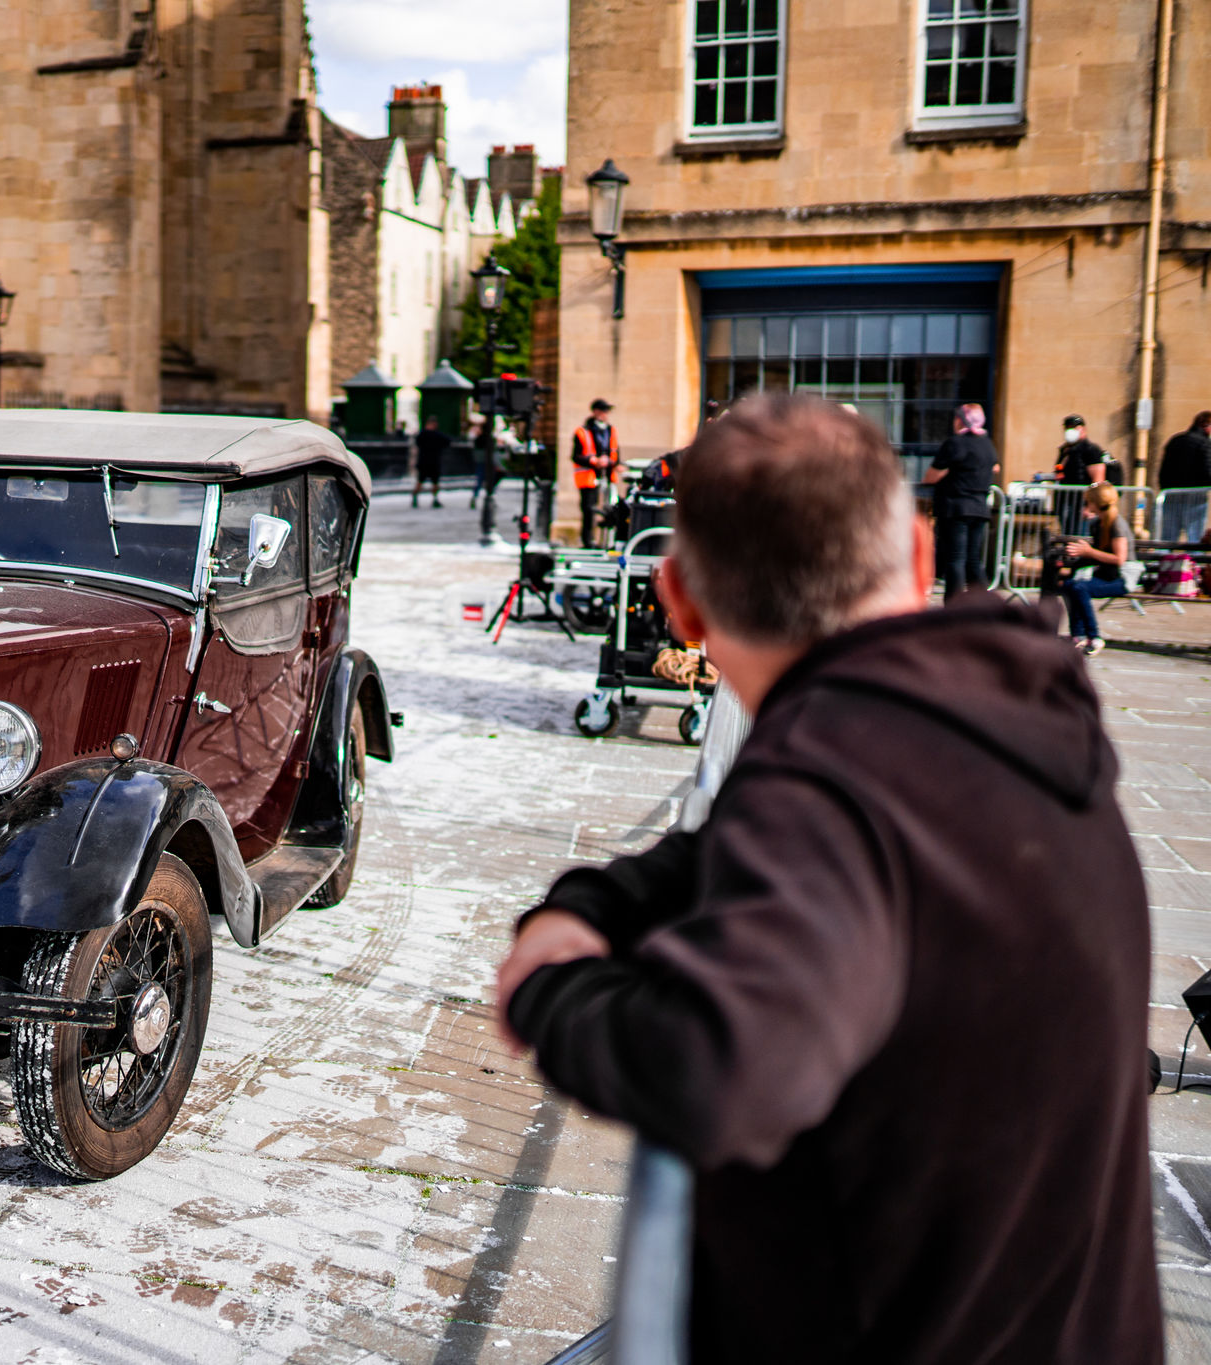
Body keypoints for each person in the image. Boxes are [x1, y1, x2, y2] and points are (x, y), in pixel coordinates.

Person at [495, 392, 1158, 1364]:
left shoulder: (826, 777)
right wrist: (597, 902)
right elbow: (749, 846)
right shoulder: (995, 715)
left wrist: (552, 991)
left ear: (678, 601)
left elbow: (718, 1067)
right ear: (920, 557)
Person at [923, 402, 999, 598]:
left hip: (956, 507)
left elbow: (932, 475)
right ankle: (985, 603)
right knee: (973, 560)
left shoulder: (955, 443)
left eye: (957, 418)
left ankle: (954, 605)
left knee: (956, 559)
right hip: (979, 507)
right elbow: (995, 468)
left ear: (962, 420)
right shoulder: (987, 444)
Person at [1063, 482, 1134, 656]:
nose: (1087, 505)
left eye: (1088, 501)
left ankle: (1094, 637)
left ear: (1096, 503)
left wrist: (1089, 551)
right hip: (1107, 574)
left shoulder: (1117, 524)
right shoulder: (1098, 523)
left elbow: (1119, 559)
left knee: (1080, 588)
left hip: (1123, 577)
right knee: (1069, 585)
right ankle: (1078, 636)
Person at [1157, 410, 1211, 542]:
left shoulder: (1175, 440)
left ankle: (1164, 556)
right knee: (1194, 538)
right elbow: (1208, 470)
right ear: (1206, 426)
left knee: (1168, 538)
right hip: (1195, 496)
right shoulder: (1205, 444)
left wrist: (1165, 487)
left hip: (1171, 494)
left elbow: (1163, 469)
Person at [571, 399, 619, 548]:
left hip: (607, 474)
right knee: (589, 508)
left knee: (610, 508)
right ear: (596, 412)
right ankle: (588, 540)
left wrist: (610, 462)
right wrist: (593, 460)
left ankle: (607, 540)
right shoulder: (582, 431)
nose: (605, 414)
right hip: (588, 476)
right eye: (603, 411)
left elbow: (615, 452)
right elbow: (576, 456)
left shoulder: (610, 430)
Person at [412, 416, 450, 509]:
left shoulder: (424, 434)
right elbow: (447, 441)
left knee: (430, 482)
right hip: (430, 461)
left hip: (428, 461)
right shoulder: (433, 434)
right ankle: (420, 498)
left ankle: (429, 499)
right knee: (424, 481)